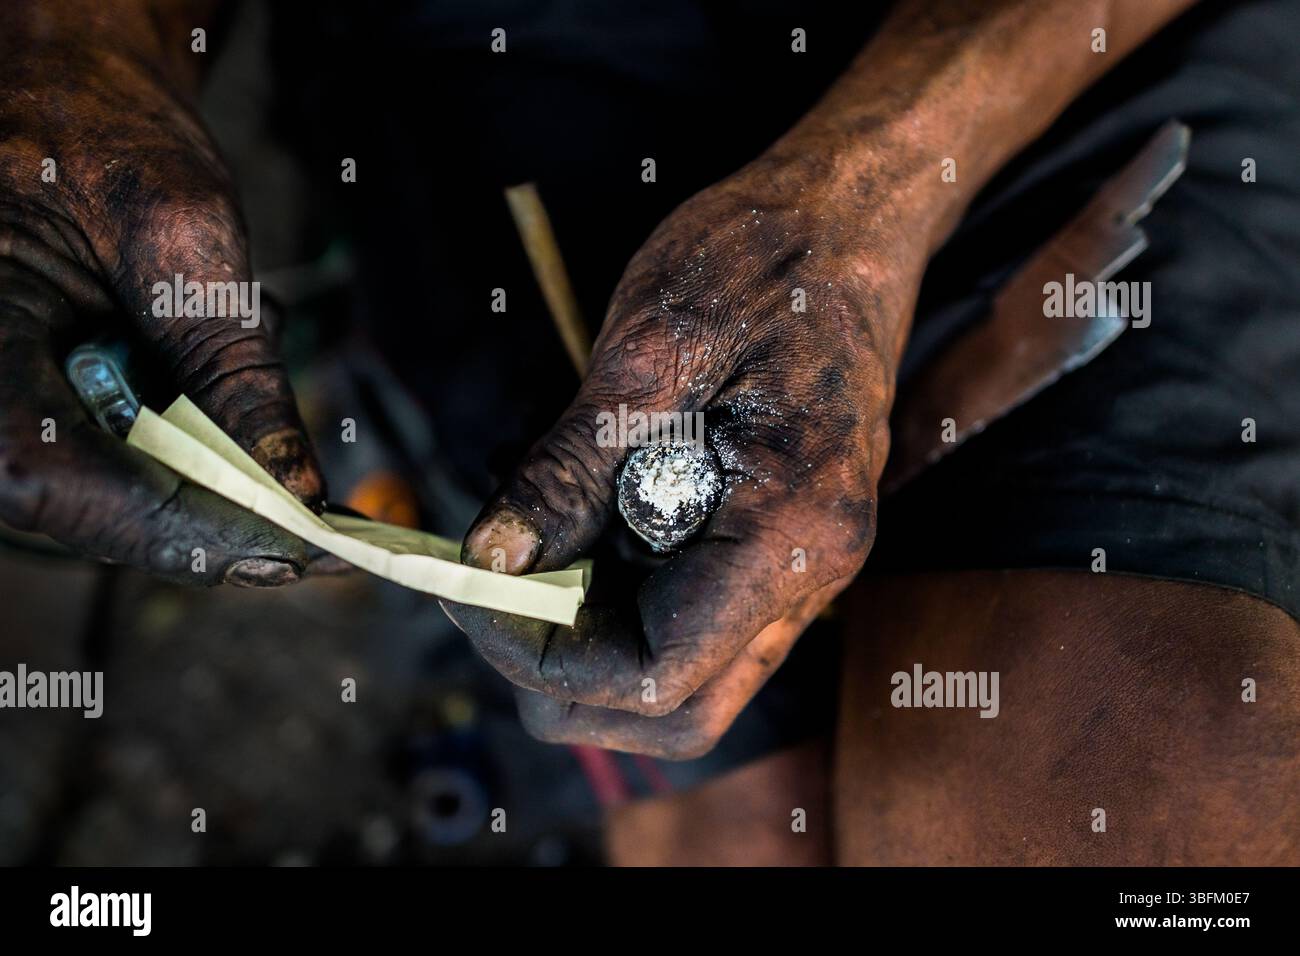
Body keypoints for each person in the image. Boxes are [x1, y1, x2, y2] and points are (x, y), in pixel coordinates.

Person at [1, 0, 1296, 865]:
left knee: (1132, 782)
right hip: (521, 40)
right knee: (736, 816)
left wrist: (874, 188)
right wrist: (77, 50)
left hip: (1076, 40)